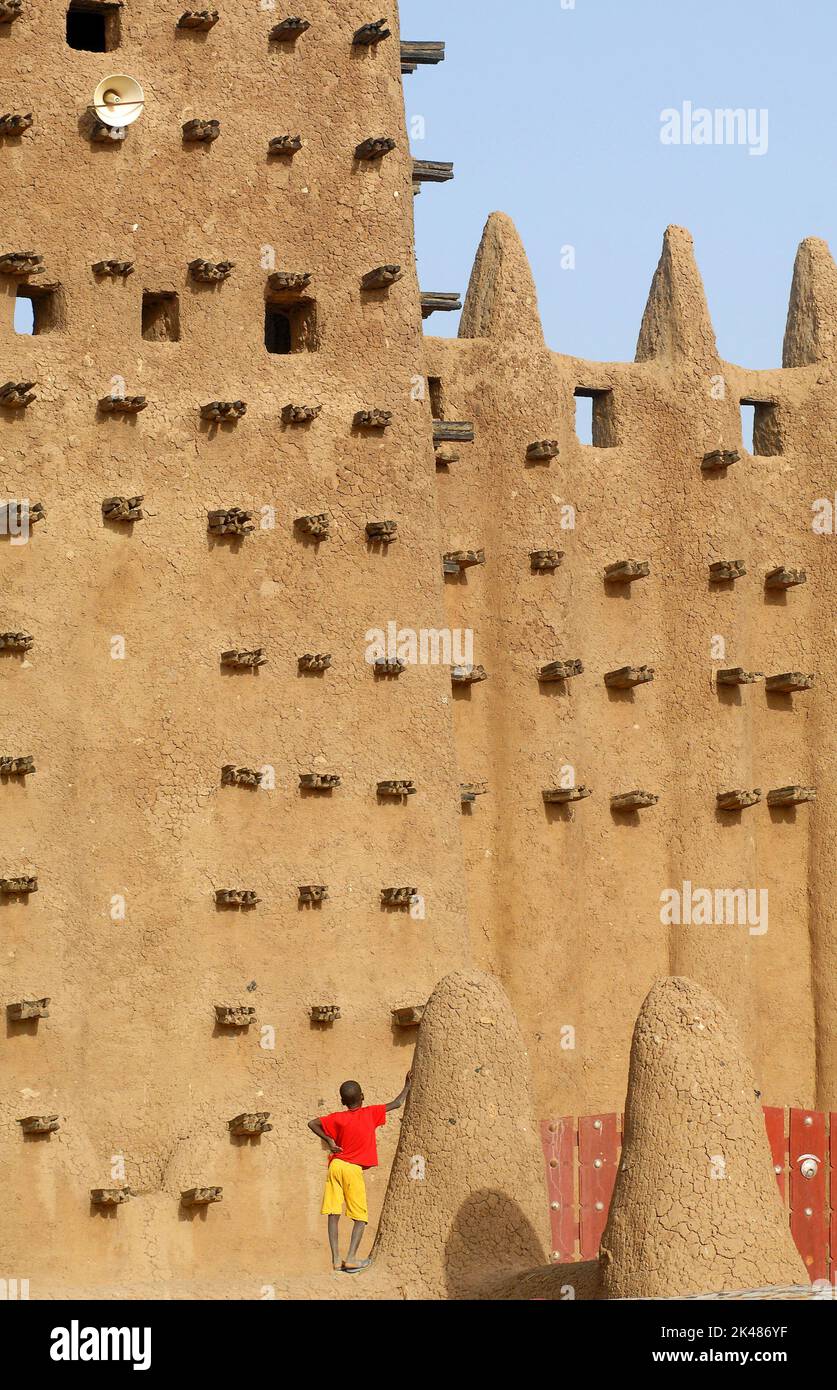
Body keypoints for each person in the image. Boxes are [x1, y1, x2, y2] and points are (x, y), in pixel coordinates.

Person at [308, 1073, 411, 1272]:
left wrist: (329, 1141)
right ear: (362, 1096)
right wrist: (407, 1086)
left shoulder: (337, 1118)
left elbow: (312, 1123)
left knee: (333, 1213)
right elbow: (397, 1104)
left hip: (336, 1165)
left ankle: (337, 1259)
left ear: (342, 1101)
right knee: (360, 1217)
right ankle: (352, 1258)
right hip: (352, 1169)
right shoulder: (370, 1113)